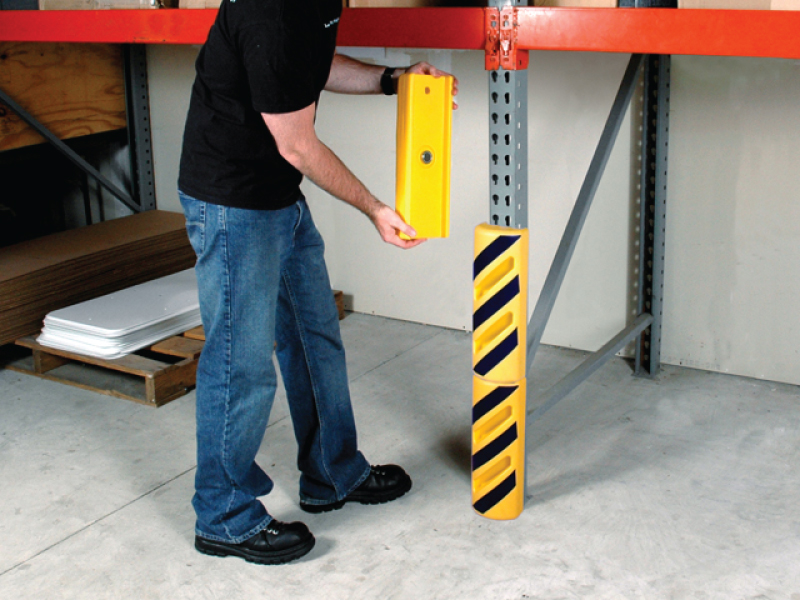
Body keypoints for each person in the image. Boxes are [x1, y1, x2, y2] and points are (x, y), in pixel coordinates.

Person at [177, 0, 458, 566]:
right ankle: (223, 515)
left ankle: (332, 473)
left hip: (277, 195)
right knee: (242, 363)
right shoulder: (269, 12)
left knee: (315, 337)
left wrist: (391, 80)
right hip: (233, 203)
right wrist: (375, 207)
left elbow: (312, 64)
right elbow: (298, 144)